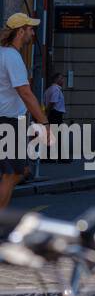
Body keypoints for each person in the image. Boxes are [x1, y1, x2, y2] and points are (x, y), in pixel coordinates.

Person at [0, 14, 48, 211]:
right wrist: (44, 123)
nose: (33, 33)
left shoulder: (3, 54)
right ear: (20, 31)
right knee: (11, 173)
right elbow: (26, 93)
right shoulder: (12, 57)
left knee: (21, 170)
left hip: (10, 121)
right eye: (30, 29)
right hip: (8, 122)